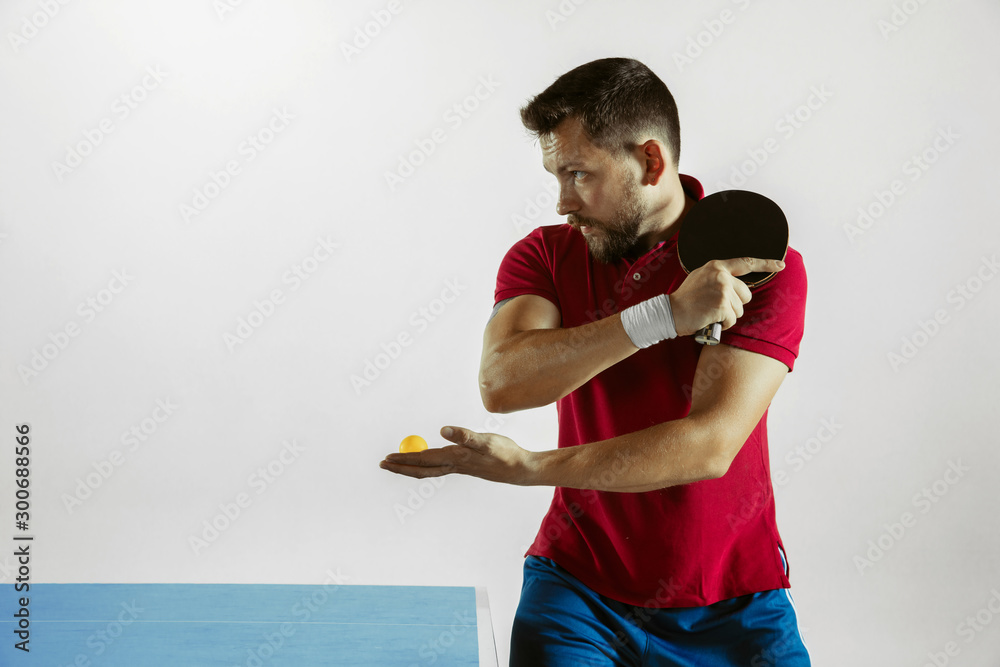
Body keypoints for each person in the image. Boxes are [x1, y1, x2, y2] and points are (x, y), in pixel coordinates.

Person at [380, 57, 810, 666]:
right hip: (577, 593)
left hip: (735, 601)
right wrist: (662, 316)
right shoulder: (544, 256)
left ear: (650, 162)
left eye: (578, 174)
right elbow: (503, 382)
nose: (561, 202)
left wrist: (532, 466)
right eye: (556, 176)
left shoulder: (761, 267)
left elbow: (709, 446)